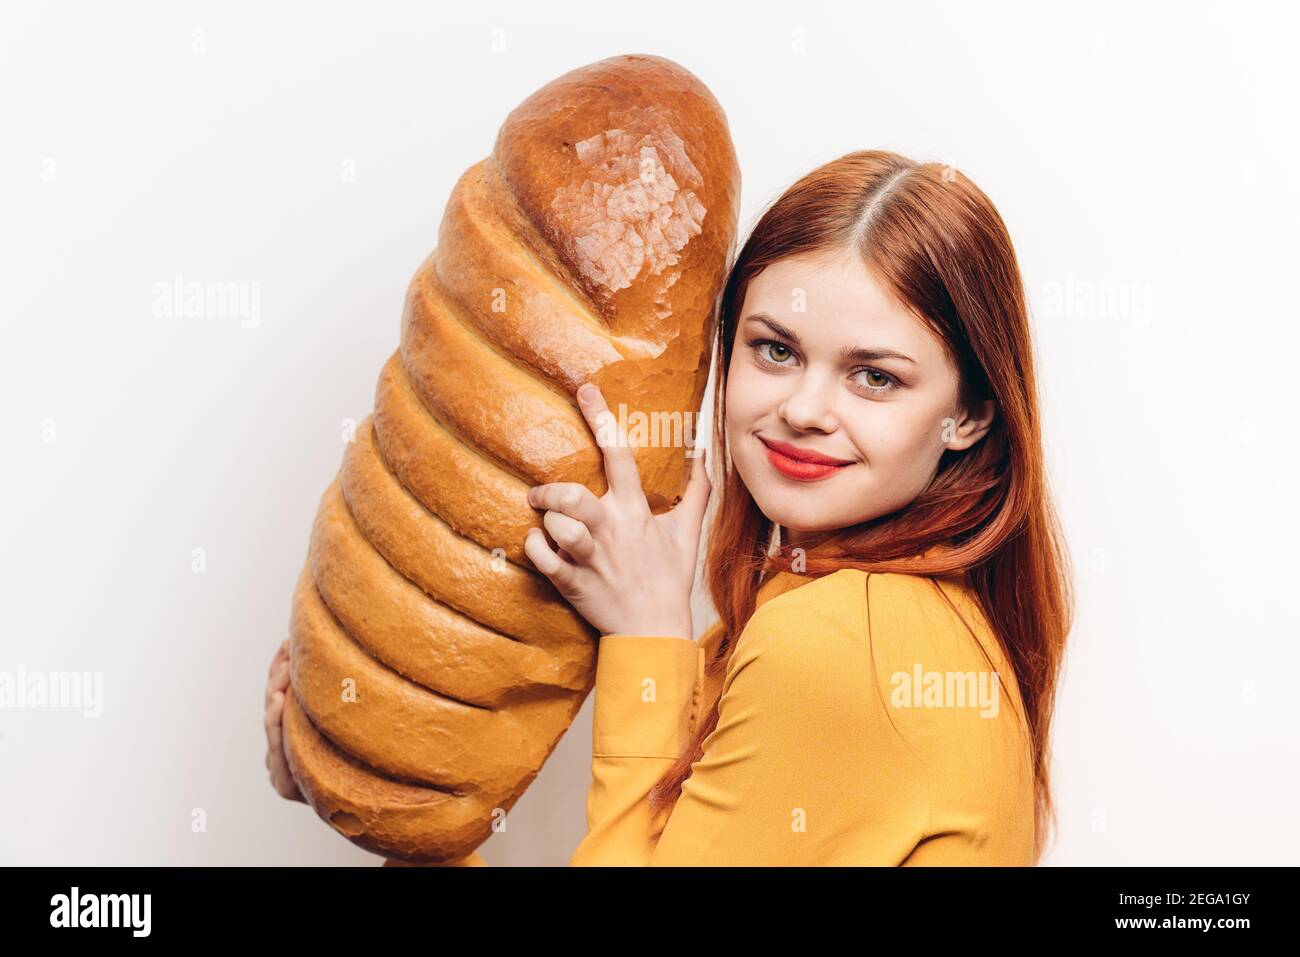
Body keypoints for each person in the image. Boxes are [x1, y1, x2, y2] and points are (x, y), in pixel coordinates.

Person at [265, 149, 1073, 866]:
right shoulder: (848, 615)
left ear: (969, 415)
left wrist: (648, 639)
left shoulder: (839, 644)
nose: (804, 408)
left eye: (875, 376)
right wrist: (390, 811)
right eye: (776, 349)